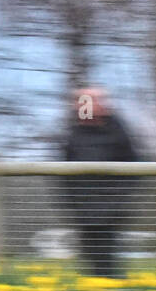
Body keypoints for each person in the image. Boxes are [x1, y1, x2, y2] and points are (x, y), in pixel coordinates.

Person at [60, 87, 140, 278]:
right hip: (83, 209)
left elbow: (136, 165)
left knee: (108, 259)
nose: (84, 105)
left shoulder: (118, 130)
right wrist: (71, 201)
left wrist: (120, 198)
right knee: (90, 259)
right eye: (81, 101)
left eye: (90, 100)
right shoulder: (73, 133)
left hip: (110, 209)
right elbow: (63, 171)